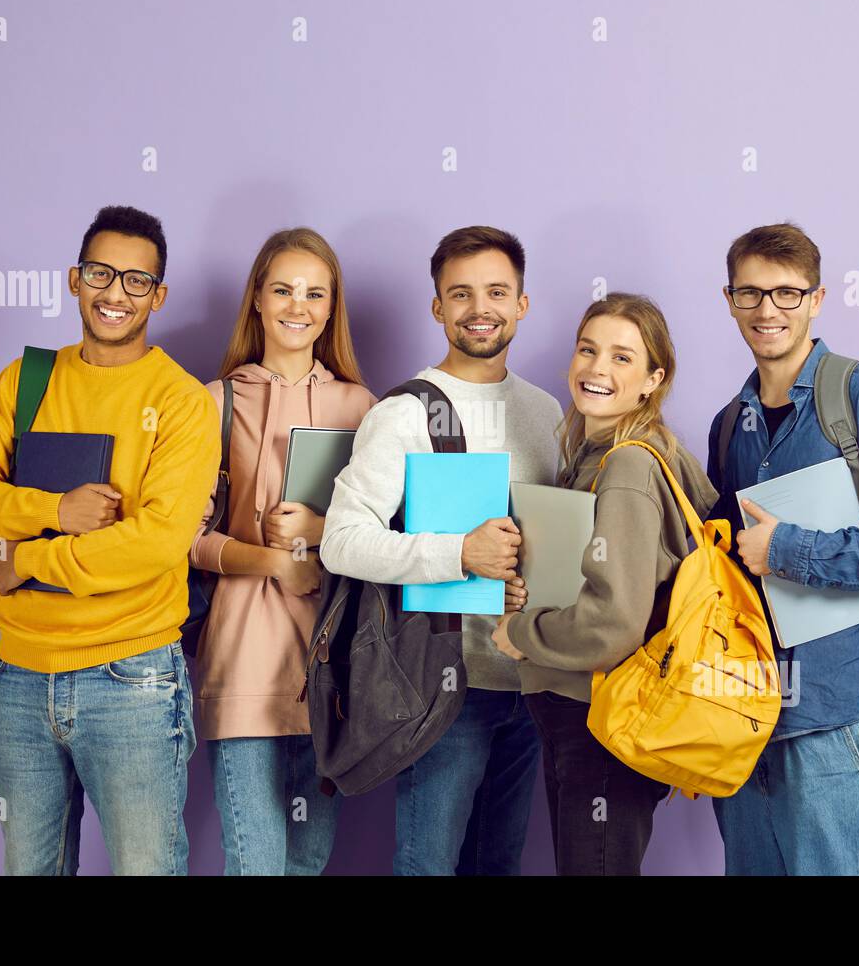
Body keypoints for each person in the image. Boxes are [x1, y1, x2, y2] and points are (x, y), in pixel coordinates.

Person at [0, 204, 221, 875]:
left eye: (136, 281)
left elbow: (154, 545)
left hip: (131, 678)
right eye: (101, 273)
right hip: (19, 676)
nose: (115, 294)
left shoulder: (183, 402)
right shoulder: (25, 381)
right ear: (75, 279)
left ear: (158, 296)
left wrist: (28, 555)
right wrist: (56, 510)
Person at [319, 225, 564, 875]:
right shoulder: (404, 412)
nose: (479, 308)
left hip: (531, 683)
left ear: (521, 303)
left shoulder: (548, 415)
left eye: (495, 292)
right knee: (426, 865)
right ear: (438, 307)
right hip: (444, 687)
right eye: (461, 294)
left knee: (499, 866)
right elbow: (341, 542)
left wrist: (530, 586)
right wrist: (461, 554)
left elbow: (554, 545)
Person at [707, 221, 859, 875]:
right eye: (750, 294)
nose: (767, 310)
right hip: (747, 716)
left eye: (786, 293)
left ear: (817, 298)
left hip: (835, 711)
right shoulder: (729, 425)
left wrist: (788, 550)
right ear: (728, 300)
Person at [490, 293, 716, 875]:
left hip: (603, 719)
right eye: (588, 350)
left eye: (622, 357)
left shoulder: (629, 465)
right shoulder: (590, 456)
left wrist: (524, 633)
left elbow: (613, 621)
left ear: (653, 379)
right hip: (583, 714)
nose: (597, 369)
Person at [188, 228, 376, 875]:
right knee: (257, 864)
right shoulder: (215, 403)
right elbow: (184, 537)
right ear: (259, 301)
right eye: (284, 290)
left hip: (331, 672)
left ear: (330, 308)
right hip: (241, 661)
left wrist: (322, 530)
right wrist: (269, 559)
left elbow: (391, 537)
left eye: (315, 293)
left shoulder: (362, 408)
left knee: (307, 863)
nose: (299, 306)